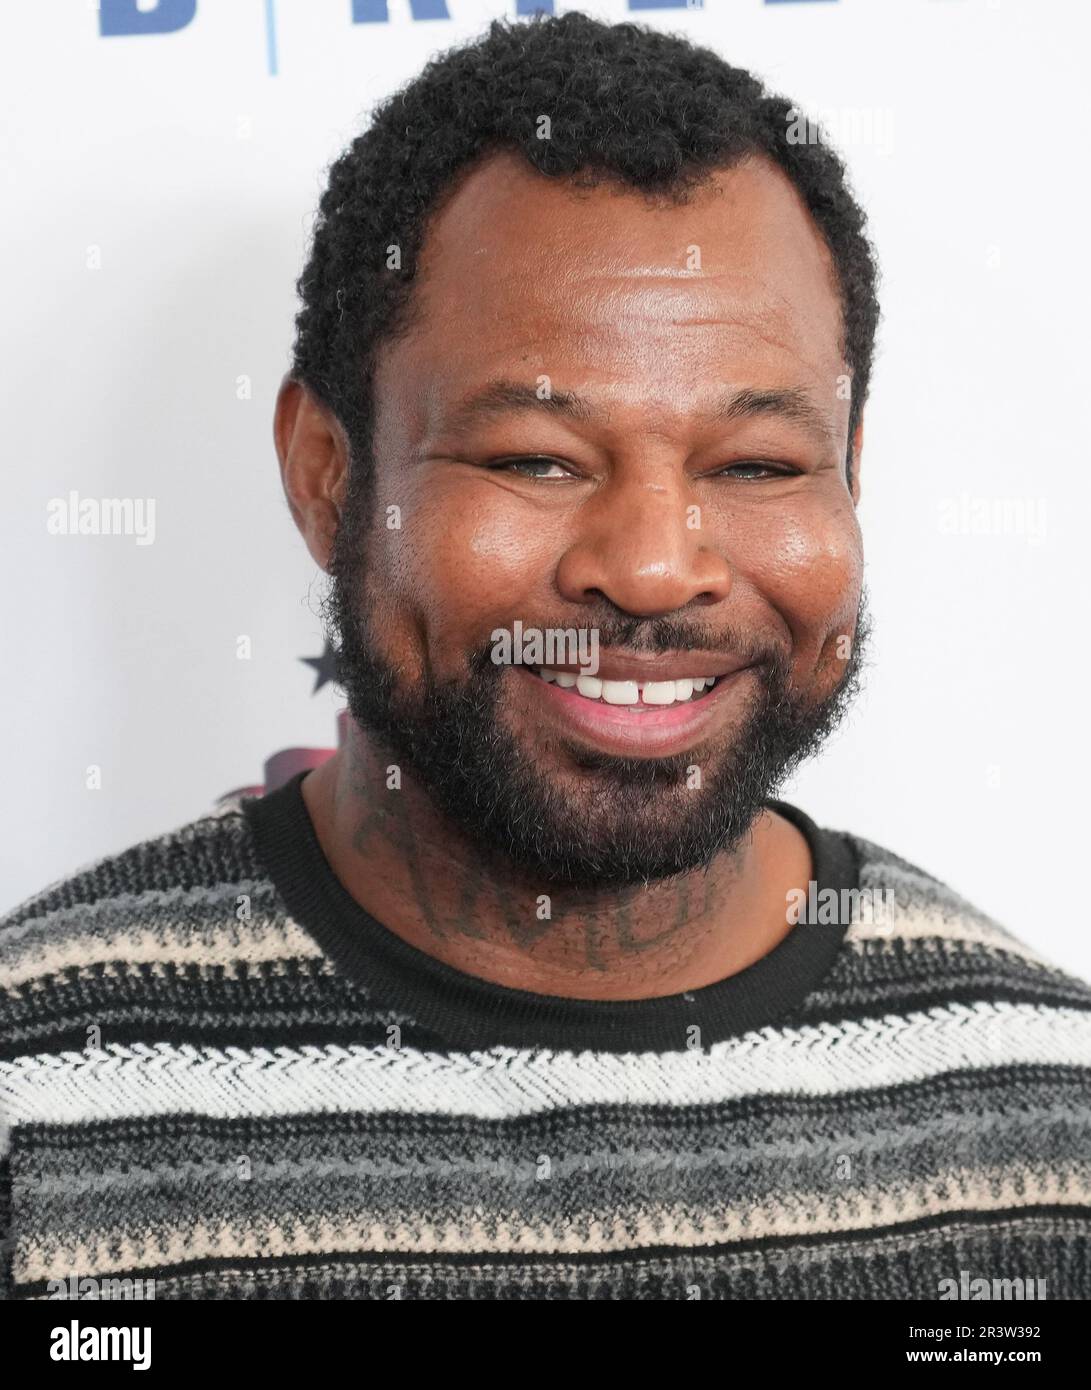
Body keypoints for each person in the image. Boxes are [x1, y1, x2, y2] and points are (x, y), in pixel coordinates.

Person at [2, 12, 1089, 1302]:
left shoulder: (1046, 1127)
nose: (651, 566)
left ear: (850, 480)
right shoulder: (42, 1102)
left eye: (757, 466)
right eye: (533, 458)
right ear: (326, 474)